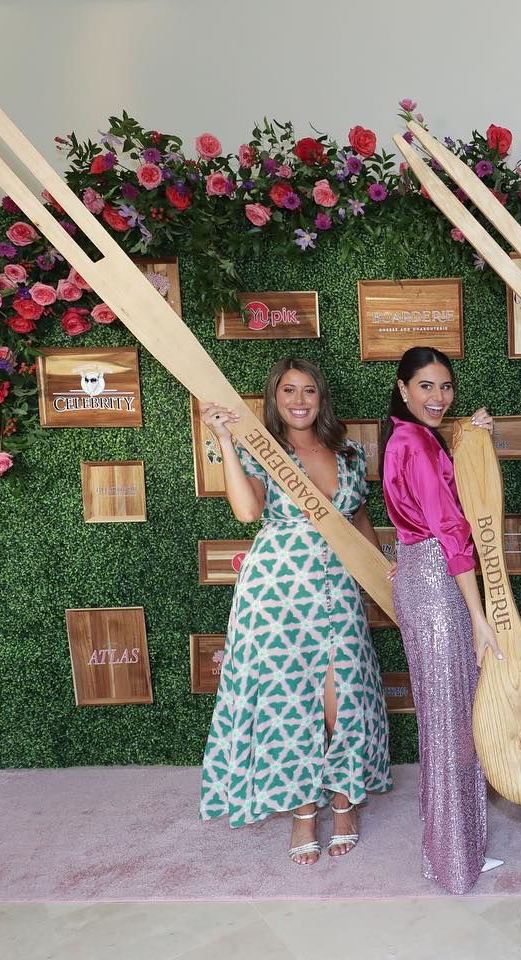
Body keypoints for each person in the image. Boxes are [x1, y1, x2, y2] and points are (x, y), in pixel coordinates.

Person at [199, 357, 393, 866]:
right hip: (277, 595)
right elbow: (247, 511)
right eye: (288, 390)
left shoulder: (349, 453)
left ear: (320, 396)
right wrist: (226, 442)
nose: (299, 400)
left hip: (339, 591)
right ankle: (304, 812)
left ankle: (345, 802)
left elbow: (358, 518)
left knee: (344, 699)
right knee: (289, 705)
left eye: (308, 390)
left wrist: (379, 577)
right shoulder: (264, 451)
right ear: (275, 398)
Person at [379, 345, 504, 894]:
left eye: (445, 386)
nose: (438, 396)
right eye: (425, 386)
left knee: (448, 720)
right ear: (403, 389)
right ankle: (454, 860)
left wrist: (471, 436)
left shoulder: (412, 438)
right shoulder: (416, 443)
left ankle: (454, 849)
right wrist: (479, 617)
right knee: (452, 723)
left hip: (424, 576)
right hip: (439, 586)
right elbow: (452, 534)